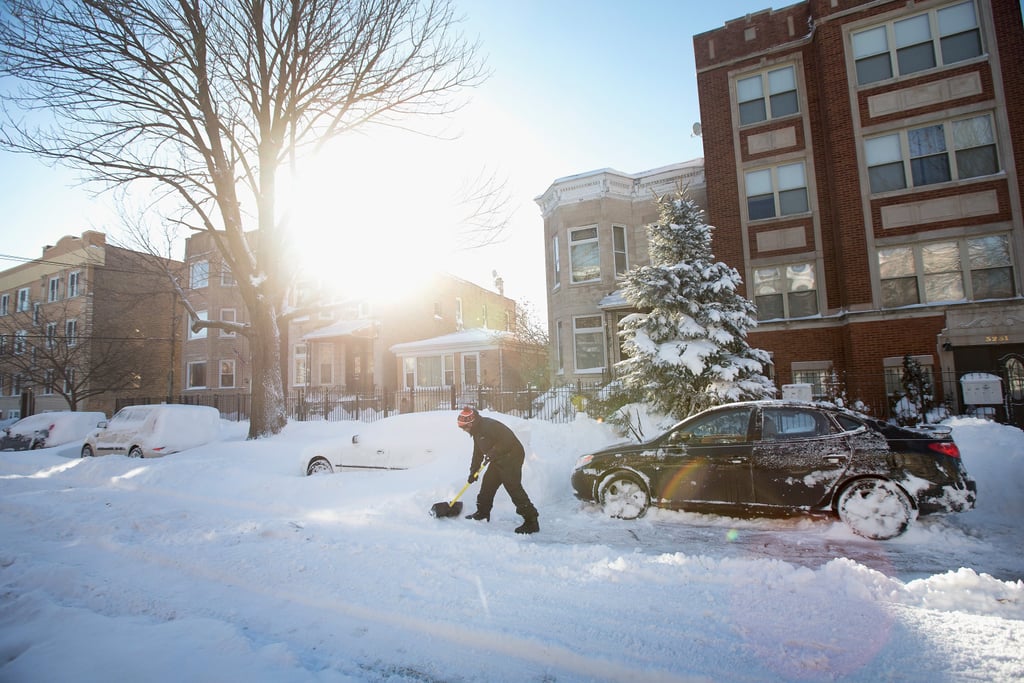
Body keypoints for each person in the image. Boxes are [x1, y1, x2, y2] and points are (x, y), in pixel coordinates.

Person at [457, 406, 539, 534]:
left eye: (464, 427)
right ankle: (482, 513)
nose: (464, 430)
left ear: (471, 423)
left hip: (512, 456)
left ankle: (531, 521)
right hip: (498, 459)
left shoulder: (489, 426)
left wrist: (494, 451)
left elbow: (508, 440)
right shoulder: (477, 432)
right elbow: (477, 453)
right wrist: (473, 471)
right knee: (488, 484)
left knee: (513, 487)